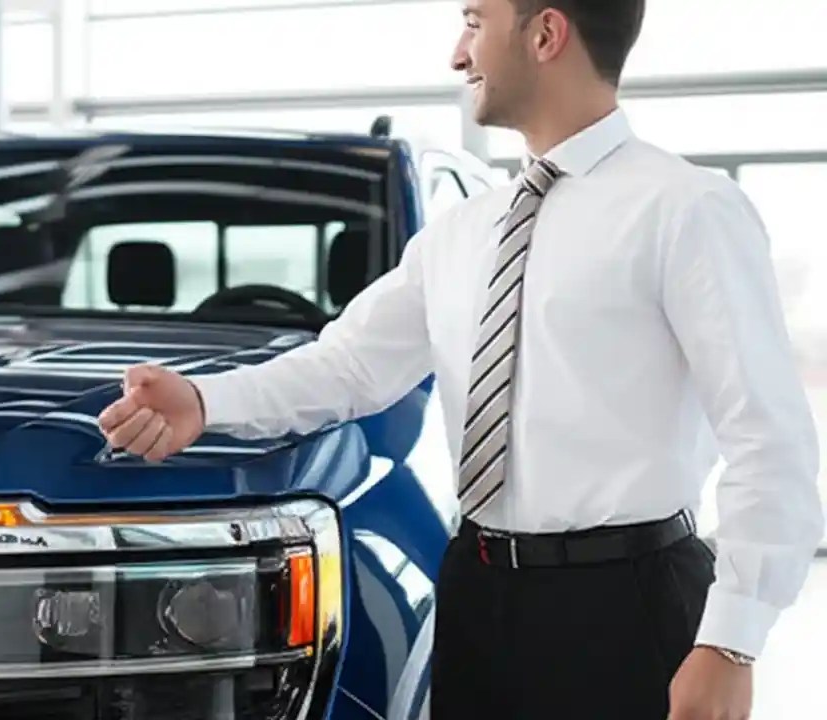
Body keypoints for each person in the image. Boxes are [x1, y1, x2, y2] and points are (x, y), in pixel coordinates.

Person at [97, 0, 824, 717]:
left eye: (475, 22)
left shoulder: (687, 209)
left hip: (630, 604)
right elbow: (347, 366)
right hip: (479, 592)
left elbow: (769, 439)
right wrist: (205, 402)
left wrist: (731, 643)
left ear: (545, 33)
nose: (458, 53)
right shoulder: (465, 232)